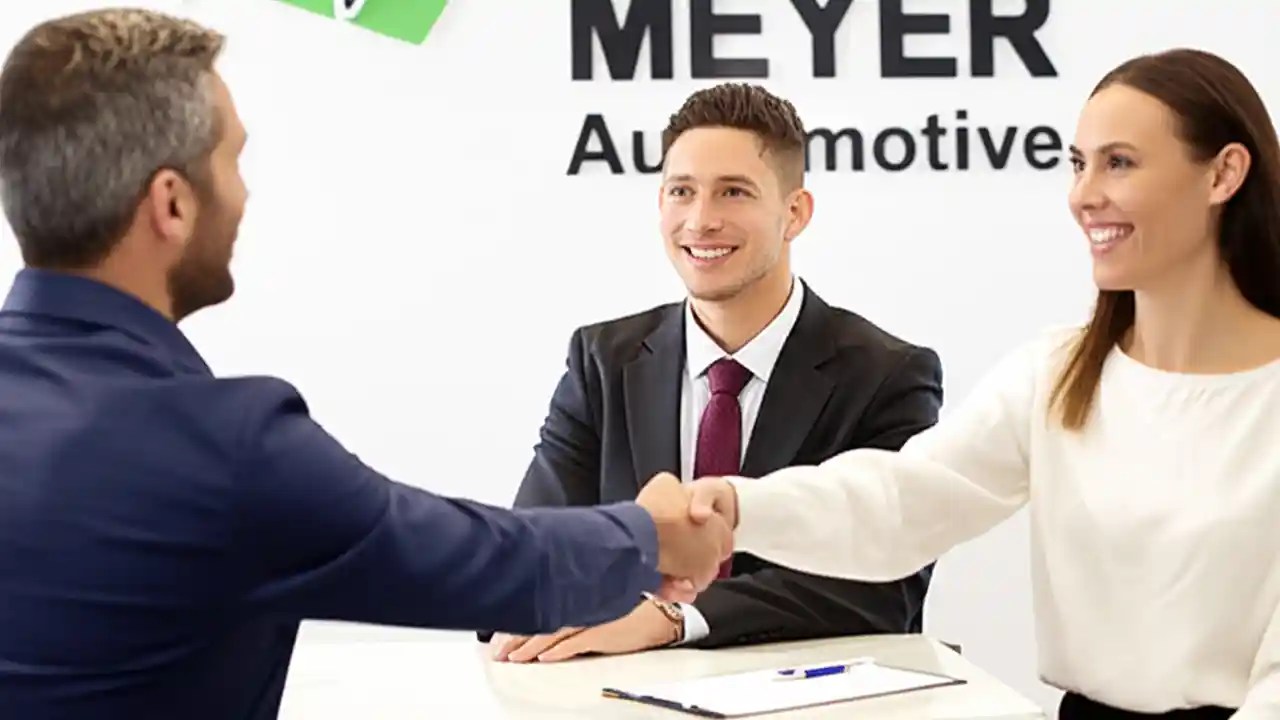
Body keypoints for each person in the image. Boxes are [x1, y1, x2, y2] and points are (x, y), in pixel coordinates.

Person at [0, 10, 732, 720]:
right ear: (171, 204)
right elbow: (485, 563)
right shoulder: (222, 445)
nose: (245, 192)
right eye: (231, 159)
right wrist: (650, 534)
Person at [686, 48, 1280, 719]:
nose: (1084, 195)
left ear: (1223, 174)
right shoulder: (1059, 373)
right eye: (1077, 164)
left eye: (1119, 162)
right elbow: (902, 503)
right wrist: (734, 511)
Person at [487, 83, 942, 664]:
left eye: (733, 192)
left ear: (794, 213)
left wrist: (671, 618)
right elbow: (535, 549)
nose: (701, 220)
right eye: (682, 192)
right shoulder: (603, 360)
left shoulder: (887, 374)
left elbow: (883, 586)